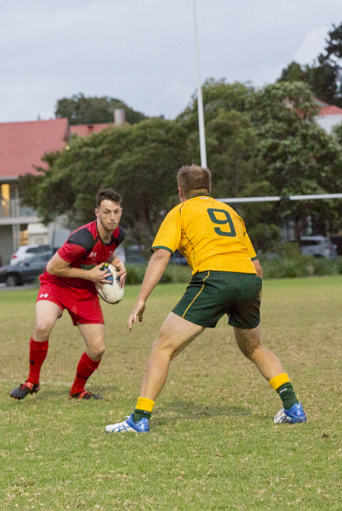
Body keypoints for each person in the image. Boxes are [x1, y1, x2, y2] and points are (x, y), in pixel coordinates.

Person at [106, 165, 306, 434]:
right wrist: (252, 299)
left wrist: (141, 298)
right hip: (248, 280)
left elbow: (161, 255)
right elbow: (257, 267)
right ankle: (293, 407)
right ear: (209, 190)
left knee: (162, 348)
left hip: (214, 279)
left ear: (180, 191)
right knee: (254, 347)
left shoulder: (180, 211)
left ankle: (139, 419)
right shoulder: (231, 213)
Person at [10, 189, 126, 401]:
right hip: (57, 283)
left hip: (85, 289)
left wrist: (118, 263)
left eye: (116, 212)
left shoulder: (118, 234)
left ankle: (77, 389)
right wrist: (89, 274)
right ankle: (32, 381)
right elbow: (52, 267)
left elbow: (106, 251)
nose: (112, 217)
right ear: (97, 212)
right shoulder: (82, 239)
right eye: (107, 212)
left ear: (121, 211)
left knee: (98, 348)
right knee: (43, 324)